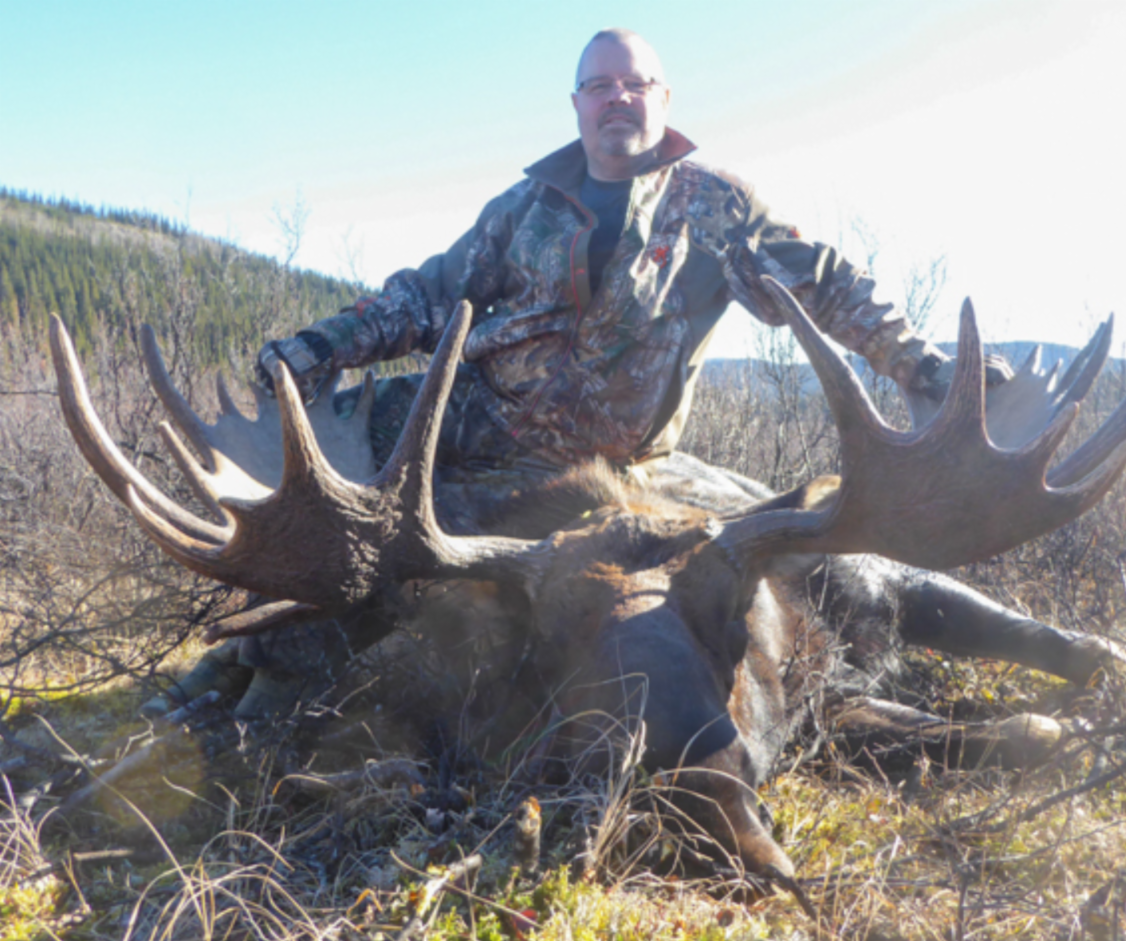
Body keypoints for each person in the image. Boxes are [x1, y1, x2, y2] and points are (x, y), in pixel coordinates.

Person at [158, 28, 1005, 718]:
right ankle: (236, 674)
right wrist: (319, 346)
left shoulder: (714, 207)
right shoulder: (523, 208)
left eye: (635, 84)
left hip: (594, 475)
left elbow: (822, 283)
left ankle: (250, 677)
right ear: (577, 105)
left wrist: (920, 365)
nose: (618, 98)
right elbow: (426, 296)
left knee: (800, 548)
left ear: (664, 99)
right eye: (600, 86)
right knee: (338, 523)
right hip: (468, 428)